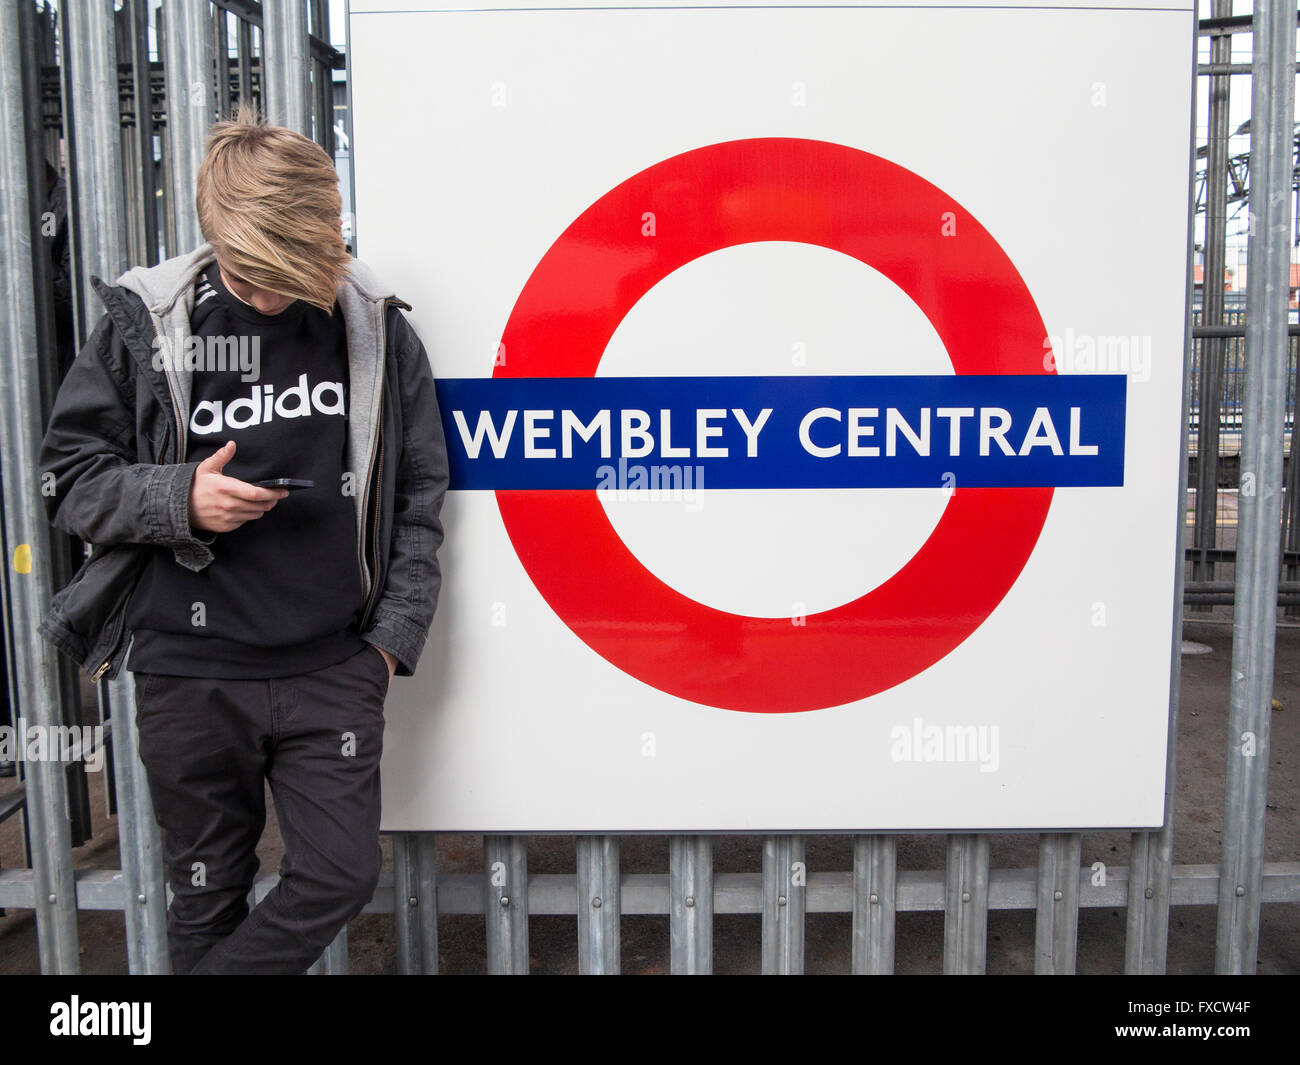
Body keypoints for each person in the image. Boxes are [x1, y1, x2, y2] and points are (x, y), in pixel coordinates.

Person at [36, 104, 450, 974]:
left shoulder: (372, 327)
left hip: (331, 669)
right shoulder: (144, 326)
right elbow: (71, 481)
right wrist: (177, 496)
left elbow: (418, 491)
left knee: (340, 873)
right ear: (216, 236)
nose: (270, 299)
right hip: (189, 675)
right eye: (250, 276)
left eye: (289, 277)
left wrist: (385, 648)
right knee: (207, 892)